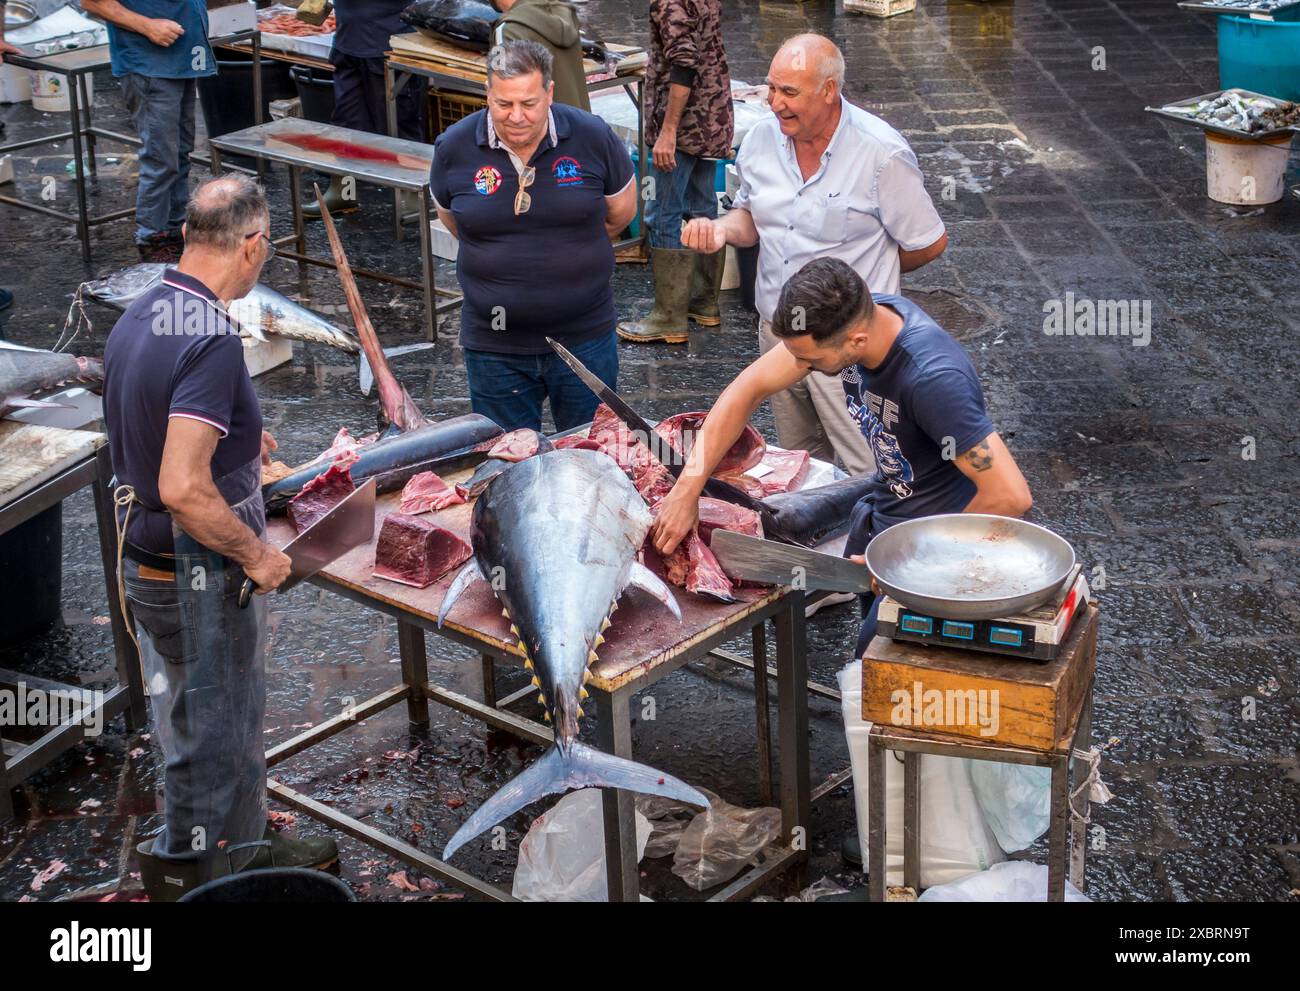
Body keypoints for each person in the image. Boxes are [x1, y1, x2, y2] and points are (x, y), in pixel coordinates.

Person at [103, 176, 338, 899]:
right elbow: (180, 487)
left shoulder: (145, 310)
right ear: (253, 244)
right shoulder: (209, 336)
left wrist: (239, 436)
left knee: (216, 717)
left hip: (147, 560)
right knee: (211, 734)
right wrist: (259, 553)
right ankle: (196, 879)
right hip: (192, 572)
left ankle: (249, 849)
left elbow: (147, 415)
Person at [653, 256, 1032, 654]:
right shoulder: (856, 319)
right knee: (865, 669)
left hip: (938, 550)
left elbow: (1009, 494)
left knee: (883, 684)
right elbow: (748, 388)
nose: (800, 368)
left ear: (856, 341)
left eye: (810, 361)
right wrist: (686, 490)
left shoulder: (933, 379)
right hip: (888, 513)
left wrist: (907, 563)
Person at [680, 34, 948, 477]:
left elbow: (929, 242)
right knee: (800, 467)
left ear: (829, 90)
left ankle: (874, 544)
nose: (774, 103)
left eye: (789, 92)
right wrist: (722, 231)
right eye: (771, 88)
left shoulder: (881, 153)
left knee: (873, 469)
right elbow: (752, 218)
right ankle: (816, 546)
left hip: (848, 342)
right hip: (779, 333)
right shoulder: (762, 140)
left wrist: (860, 287)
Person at [429, 41, 637, 432]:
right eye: (504, 104)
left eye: (529, 103)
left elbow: (620, 216)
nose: (517, 117)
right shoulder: (453, 148)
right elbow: (456, 222)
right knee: (506, 468)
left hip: (584, 339)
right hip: (494, 345)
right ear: (487, 94)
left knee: (589, 462)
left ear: (550, 94)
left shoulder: (593, 138)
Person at [617, 0, 732, 345]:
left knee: (661, 213)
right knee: (701, 207)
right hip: (712, 117)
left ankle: (668, 317)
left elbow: (683, 64)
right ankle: (703, 302)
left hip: (683, 125)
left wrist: (668, 132)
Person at [82, 1, 215, 263]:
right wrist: (148, 26)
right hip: (149, 63)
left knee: (179, 154)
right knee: (160, 158)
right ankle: (152, 238)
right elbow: (92, 3)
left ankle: (176, 230)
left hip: (183, 59)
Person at [305, 0, 426, 219]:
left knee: (400, 123)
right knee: (346, 121)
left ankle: (412, 196)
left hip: (389, 42)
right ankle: (344, 191)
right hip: (348, 41)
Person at [489, 0, 589, 111]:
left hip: (536, 126)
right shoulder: (565, 15)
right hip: (580, 122)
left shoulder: (508, 30)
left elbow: (505, 95)